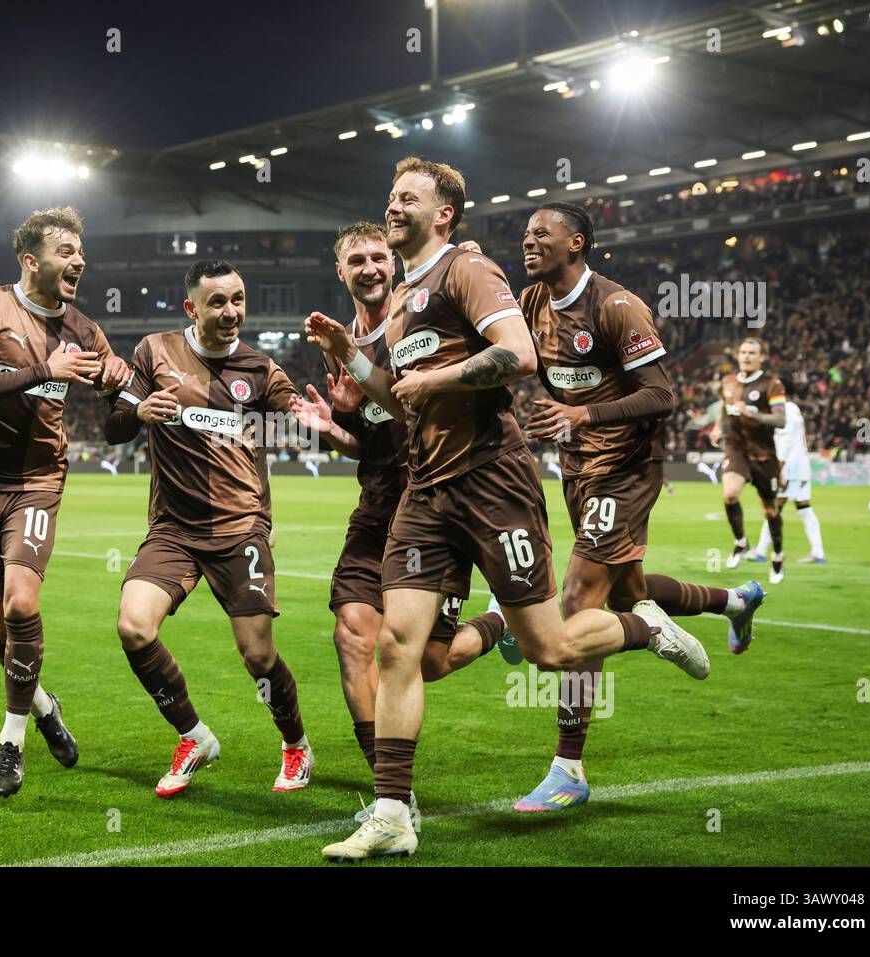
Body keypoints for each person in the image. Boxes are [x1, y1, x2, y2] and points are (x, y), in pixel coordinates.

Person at [311, 157, 708, 861]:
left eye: (407, 197)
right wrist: (354, 357)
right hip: (426, 489)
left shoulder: (468, 268)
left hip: (494, 481)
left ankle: (647, 626)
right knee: (398, 645)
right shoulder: (404, 298)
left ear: (443, 214)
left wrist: (437, 375)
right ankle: (393, 813)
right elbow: (396, 399)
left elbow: (518, 353)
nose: (393, 205)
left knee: (546, 648)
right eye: (391, 194)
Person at [512, 202, 765, 813]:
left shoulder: (617, 306)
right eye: (525, 234)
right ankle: (735, 601)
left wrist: (583, 414)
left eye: (541, 234)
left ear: (577, 243)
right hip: (578, 467)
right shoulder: (531, 303)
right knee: (626, 591)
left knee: (578, 602)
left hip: (625, 469)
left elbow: (662, 394)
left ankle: (568, 766)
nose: (528, 242)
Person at [291, 221, 515, 819]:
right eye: (355, 260)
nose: (369, 267)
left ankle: (499, 623)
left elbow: (426, 407)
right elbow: (373, 441)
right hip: (377, 506)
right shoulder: (348, 343)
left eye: (377, 257)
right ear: (341, 271)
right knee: (352, 634)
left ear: (392, 265)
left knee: (430, 661)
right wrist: (337, 430)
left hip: (431, 503)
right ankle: (392, 795)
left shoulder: (415, 324)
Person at [104, 260, 314, 798]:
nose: (231, 312)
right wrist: (139, 411)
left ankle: (295, 745)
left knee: (258, 656)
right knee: (134, 626)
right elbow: (114, 428)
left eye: (238, 300)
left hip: (239, 526)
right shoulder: (154, 352)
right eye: (217, 302)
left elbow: (299, 428)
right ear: (190, 308)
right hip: (172, 529)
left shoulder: (263, 370)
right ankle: (194, 736)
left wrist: (311, 417)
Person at [0, 206, 130, 797]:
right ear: (32, 261)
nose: (79, 260)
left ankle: (11, 742)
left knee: (22, 606)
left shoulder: (84, 331)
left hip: (36, 482)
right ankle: (45, 705)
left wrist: (133, 398)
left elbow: (119, 410)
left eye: (81, 251)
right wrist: (41, 370)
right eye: (66, 251)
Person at [718, 339, 788, 582]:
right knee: (730, 495)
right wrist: (717, 427)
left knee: (770, 511)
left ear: (762, 357)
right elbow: (723, 406)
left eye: (752, 353)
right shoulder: (728, 381)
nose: (746, 356)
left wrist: (754, 413)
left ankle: (778, 555)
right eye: (743, 352)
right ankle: (741, 542)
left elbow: (781, 420)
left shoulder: (772, 384)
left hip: (764, 454)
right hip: (737, 450)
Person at [748, 397, 826, 563]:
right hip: (801, 465)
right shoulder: (793, 408)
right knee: (804, 508)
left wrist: (779, 468)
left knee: (773, 507)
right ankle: (818, 553)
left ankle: (760, 551)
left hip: (790, 467)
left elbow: (786, 441)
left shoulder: (784, 409)